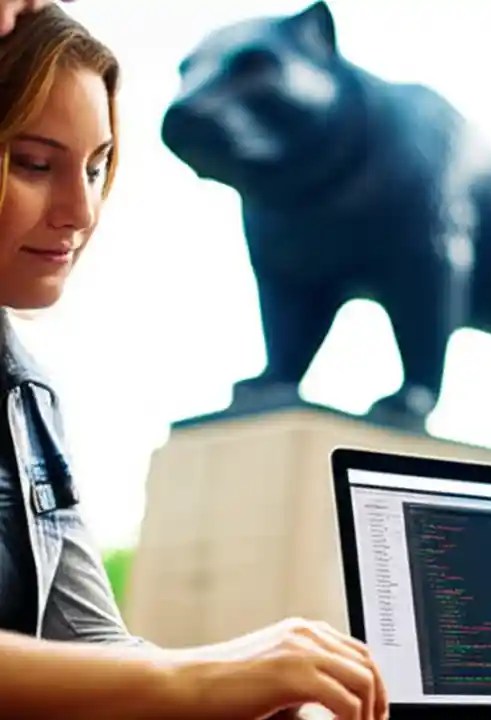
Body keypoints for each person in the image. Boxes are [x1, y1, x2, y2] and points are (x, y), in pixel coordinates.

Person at [0, 6, 387, 718]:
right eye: (33, 163)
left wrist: (268, 689)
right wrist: (202, 677)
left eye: (96, 167)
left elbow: (89, 644)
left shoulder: (28, 393)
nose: (81, 211)